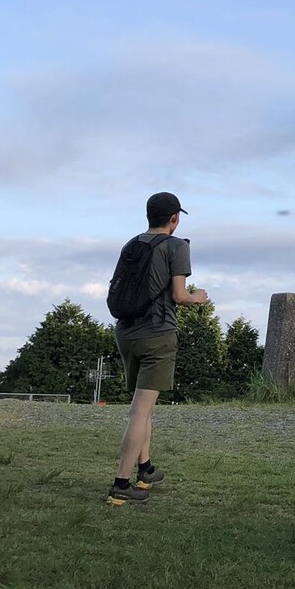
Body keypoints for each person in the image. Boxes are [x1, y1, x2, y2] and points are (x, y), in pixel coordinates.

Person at [106, 191, 211, 506]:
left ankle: (145, 468)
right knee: (140, 411)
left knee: (143, 406)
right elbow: (179, 295)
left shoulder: (131, 245)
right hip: (158, 335)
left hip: (126, 333)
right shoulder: (176, 246)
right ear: (175, 219)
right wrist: (199, 297)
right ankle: (120, 484)